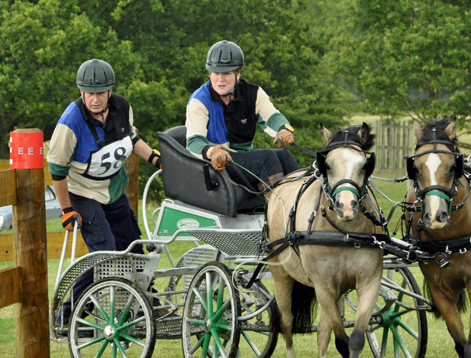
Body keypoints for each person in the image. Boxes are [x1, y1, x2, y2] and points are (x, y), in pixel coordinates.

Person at [48, 58, 161, 330]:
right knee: (107, 254)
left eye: (100, 92)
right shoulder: (69, 123)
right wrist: (66, 210)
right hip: (81, 194)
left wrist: (156, 158)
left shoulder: (122, 108)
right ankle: (67, 315)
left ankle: (146, 303)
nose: (94, 99)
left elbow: (131, 140)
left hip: (112, 189)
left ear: (110, 92)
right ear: (81, 92)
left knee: (133, 247)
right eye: (89, 93)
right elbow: (57, 170)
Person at [185, 40, 298, 191]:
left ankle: (297, 206)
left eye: (226, 73)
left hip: (241, 156)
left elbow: (271, 116)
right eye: (216, 72)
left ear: (238, 74)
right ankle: (278, 210)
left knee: (286, 156)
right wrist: (212, 152)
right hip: (215, 162)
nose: (220, 79)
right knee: (266, 159)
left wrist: (283, 128)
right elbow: (193, 141)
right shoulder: (199, 100)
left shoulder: (253, 93)